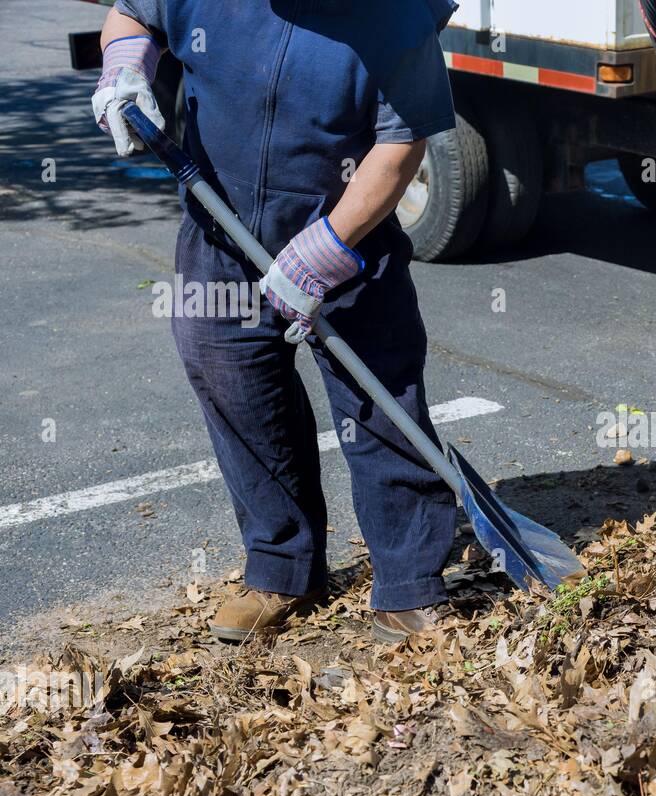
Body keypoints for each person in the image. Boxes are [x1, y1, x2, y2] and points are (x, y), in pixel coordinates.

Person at [92, 0, 462, 643]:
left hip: (348, 238)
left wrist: (325, 250)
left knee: (380, 403)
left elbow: (401, 144)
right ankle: (282, 568)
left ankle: (410, 581)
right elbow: (134, 14)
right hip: (220, 231)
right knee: (237, 387)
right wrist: (124, 69)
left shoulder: (397, 14)